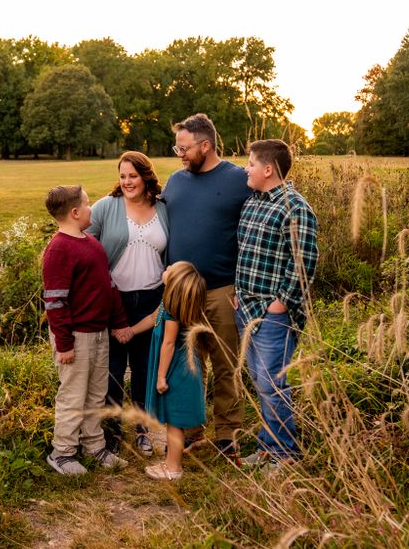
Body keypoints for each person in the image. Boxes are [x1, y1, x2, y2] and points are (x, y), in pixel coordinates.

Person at [161, 113, 252, 457]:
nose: (179, 154)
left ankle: (228, 436)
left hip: (222, 290)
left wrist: (244, 289)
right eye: (177, 147)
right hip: (182, 293)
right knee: (188, 366)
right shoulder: (175, 181)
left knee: (226, 364)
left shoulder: (237, 179)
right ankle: (193, 430)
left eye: (184, 148)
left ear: (206, 145)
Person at [234, 139, 318, 467]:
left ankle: (286, 455)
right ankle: (268, 446)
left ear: (268, 169)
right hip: (246, 308)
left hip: (273, 315)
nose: (246, 168)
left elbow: (304, 261)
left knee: (273, 385)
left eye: (251, 163)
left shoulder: (294, 208)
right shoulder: (253, 202)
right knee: (260, 383)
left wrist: (282, 303)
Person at [41, 185, 129, 475]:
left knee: (95, 394)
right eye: (88, 205)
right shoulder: (58, 249)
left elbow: (109, 286)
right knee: (73, 396)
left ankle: (94, 446)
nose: (92, 209)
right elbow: (55, 302)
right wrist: (64, 344)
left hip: (99, 332)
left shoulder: (91, 243)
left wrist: (119, 322)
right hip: (75, 337)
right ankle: (63, 452)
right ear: (75, 212)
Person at [87, 151, 168, 456]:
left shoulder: (163, 209)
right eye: (122, 176)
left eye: (133, 175)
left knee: (146, 370)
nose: (127, 182)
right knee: (112, 371)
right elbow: (83, 243)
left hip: (151, 299)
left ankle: (145, 431)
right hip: (113, 300)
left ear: (146, 176)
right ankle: (111, 435)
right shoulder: (106, 207)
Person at [144, 261, 209, 481]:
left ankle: (173, 468)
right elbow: (153, 320)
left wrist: (161, 376)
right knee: (174, 422)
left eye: (170, 269)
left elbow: (168, 345)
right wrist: (129, 331)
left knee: (175, 422)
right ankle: (171, 462)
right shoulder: (168, 304)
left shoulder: (172, 313)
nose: (166, 268)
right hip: (179, 369)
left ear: (174, 283)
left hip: (176, 371)